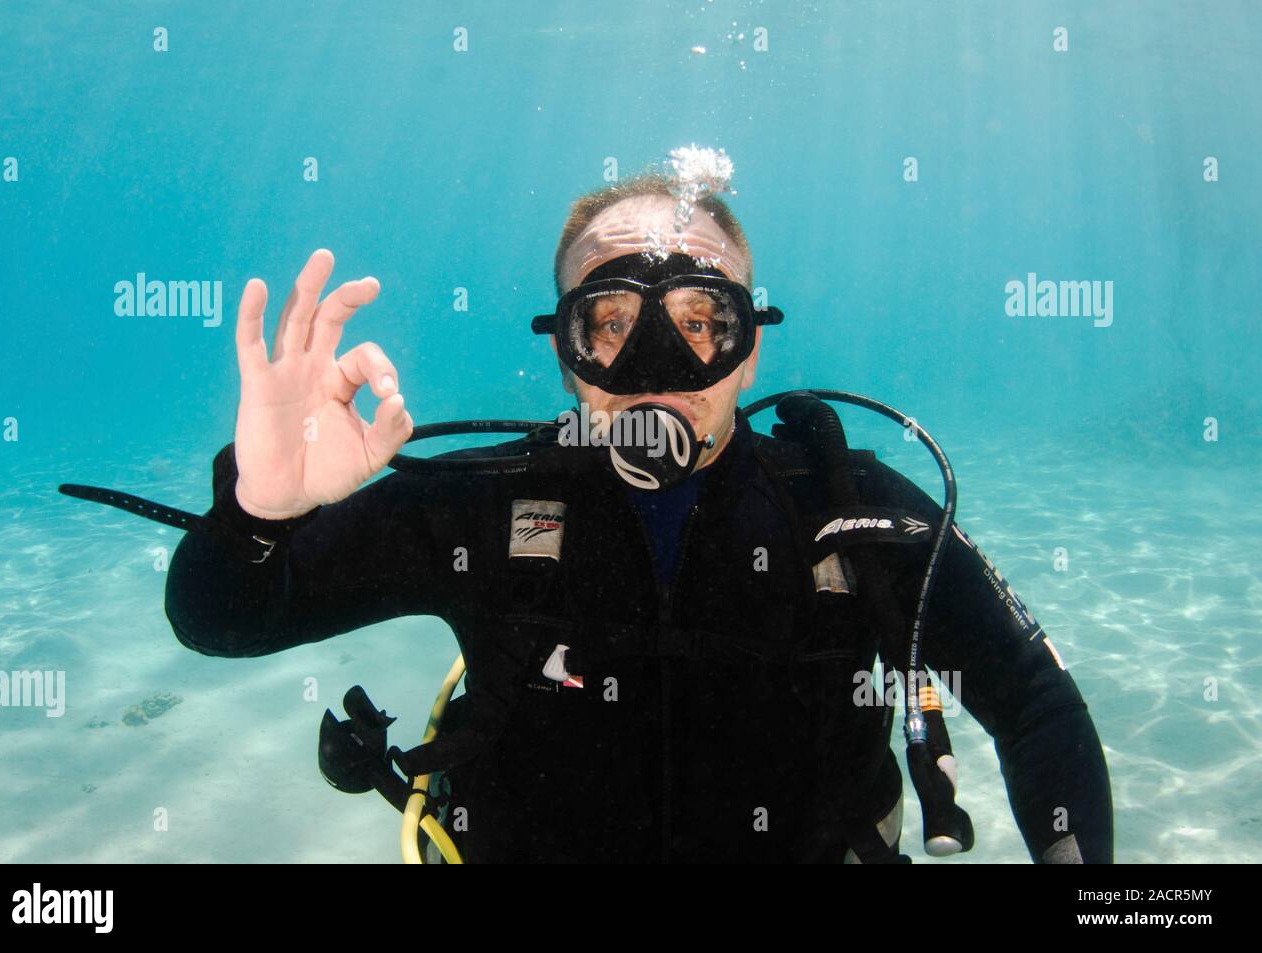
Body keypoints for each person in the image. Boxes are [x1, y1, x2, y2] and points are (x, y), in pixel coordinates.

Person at [163, 174, 1114, 863]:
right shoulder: (485, 506)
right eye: (611, 322)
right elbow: (223, 618)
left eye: (704, 320)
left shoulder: (848, 514)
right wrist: (255, 512)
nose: (656, 362)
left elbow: (1033, 699)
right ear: (568, 355)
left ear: (747, 353)